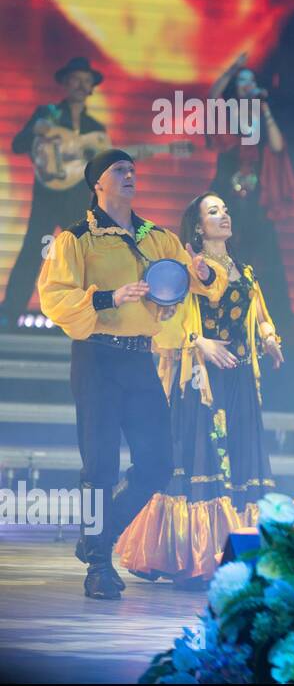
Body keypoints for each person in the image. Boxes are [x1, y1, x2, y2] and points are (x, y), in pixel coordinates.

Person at [37, 150, 222, 599]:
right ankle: (99, 565)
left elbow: (192, 278)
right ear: (96, 182)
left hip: (139, 357)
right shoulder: (77, 239)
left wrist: (200, 270)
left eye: (132, 169)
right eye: (119, 170)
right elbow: (55, 297)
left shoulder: (154, 236)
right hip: (96, 357)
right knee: (99, 466)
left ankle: (96, 537)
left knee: (157, 462)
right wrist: (109, 298)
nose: (129, 175)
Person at [117, 193, 282, 584]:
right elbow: (167, 320)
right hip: (202, 380)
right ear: (197, 226)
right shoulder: (187, 271)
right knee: (203, 461)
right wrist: (198, 341)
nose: (223, 215)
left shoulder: (245, 270)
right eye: (213, 211)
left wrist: (269, 337)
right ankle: (194, 556)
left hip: (239, 378)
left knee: (240, 463)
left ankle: (238, 556)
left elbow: (258, 314)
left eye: (224, 209)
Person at [4, 57, 109, 325]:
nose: (81, 85)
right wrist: (35, 132)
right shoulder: (47, 113)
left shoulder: (95, 129)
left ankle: (84, 317)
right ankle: (8, 317)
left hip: (78, 201)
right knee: (32, 252)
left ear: (91, 89)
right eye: (76, 79)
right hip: (47, 199)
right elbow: (18, 145)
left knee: (82, 260)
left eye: (86, 81)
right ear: (65, 83)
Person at [207, 52, 294, 327]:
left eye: (251, 80)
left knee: (263, 257)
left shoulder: (261, 114)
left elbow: (278, 147)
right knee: (223, 250)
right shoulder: (227, 113)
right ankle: (219, 309)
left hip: (257, 199)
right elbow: (212, 97)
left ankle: (265, 319)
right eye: (241, 80)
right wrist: (232, 68)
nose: (247, 84)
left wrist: (265, 108)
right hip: (226, 194)